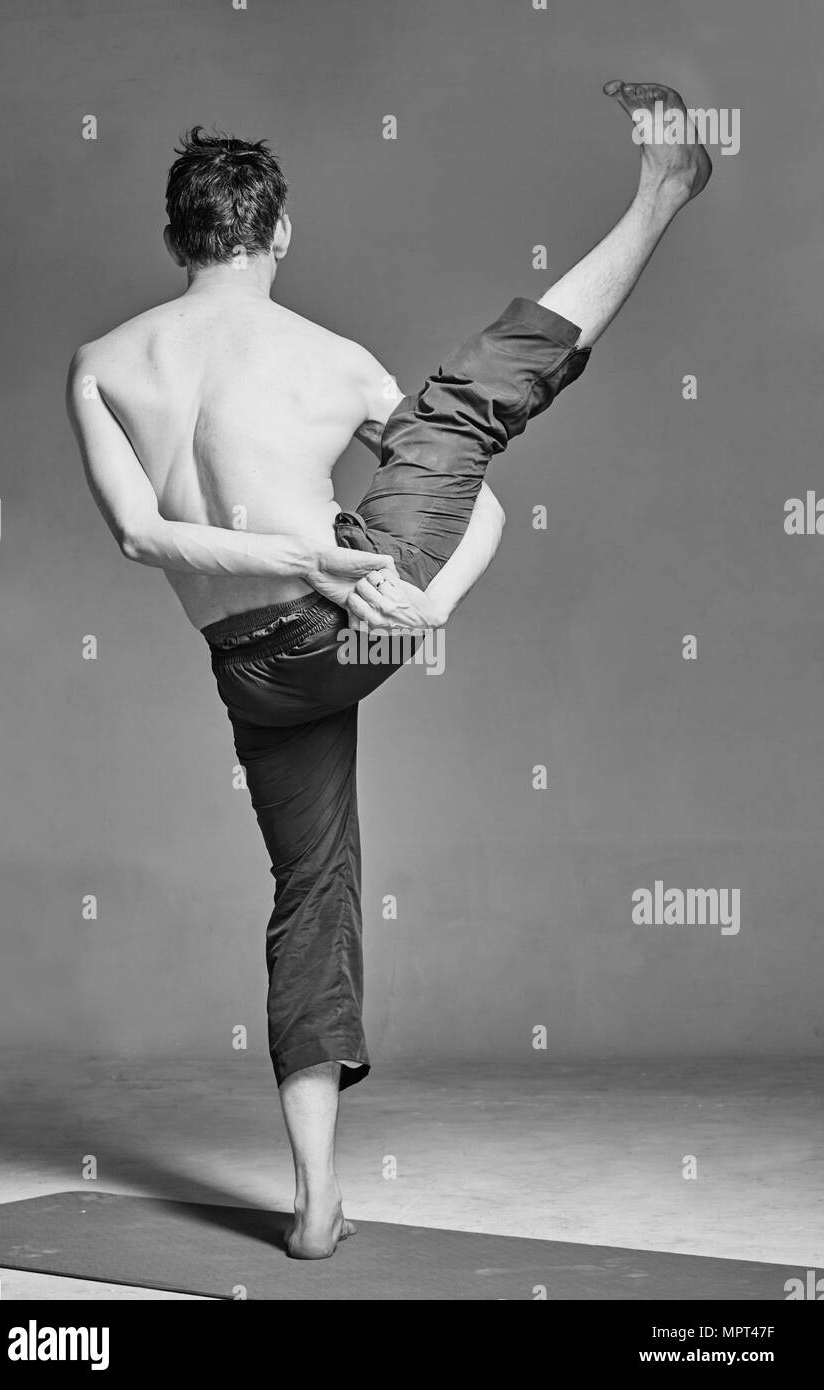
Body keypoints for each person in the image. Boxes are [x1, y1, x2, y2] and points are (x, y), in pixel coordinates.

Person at [67, 80, 711, 1259]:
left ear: (176, 239)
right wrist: (374, 588)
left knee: (308, 897)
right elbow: (480, 503)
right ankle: (663, 193)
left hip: (259, 667)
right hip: (346, 626)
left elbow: (141, 535)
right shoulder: (330, 358)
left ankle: (314, 1204)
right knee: (459, 411)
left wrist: (415, 608)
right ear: (280, 231)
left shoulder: (105, 362)